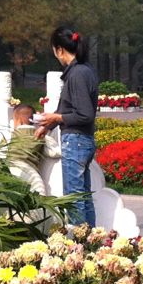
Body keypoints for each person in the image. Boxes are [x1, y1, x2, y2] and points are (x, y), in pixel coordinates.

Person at [34, 27, 98, 227]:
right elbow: (69, 110)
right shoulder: (81, 71)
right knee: (83, 198)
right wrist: (49, 124)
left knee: (75, 199)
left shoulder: (77, 74)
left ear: (60, 49)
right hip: (82, 141)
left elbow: (85, 114)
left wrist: (57, 116)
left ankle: (80, 247)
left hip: (76, 141)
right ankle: (90, 242)